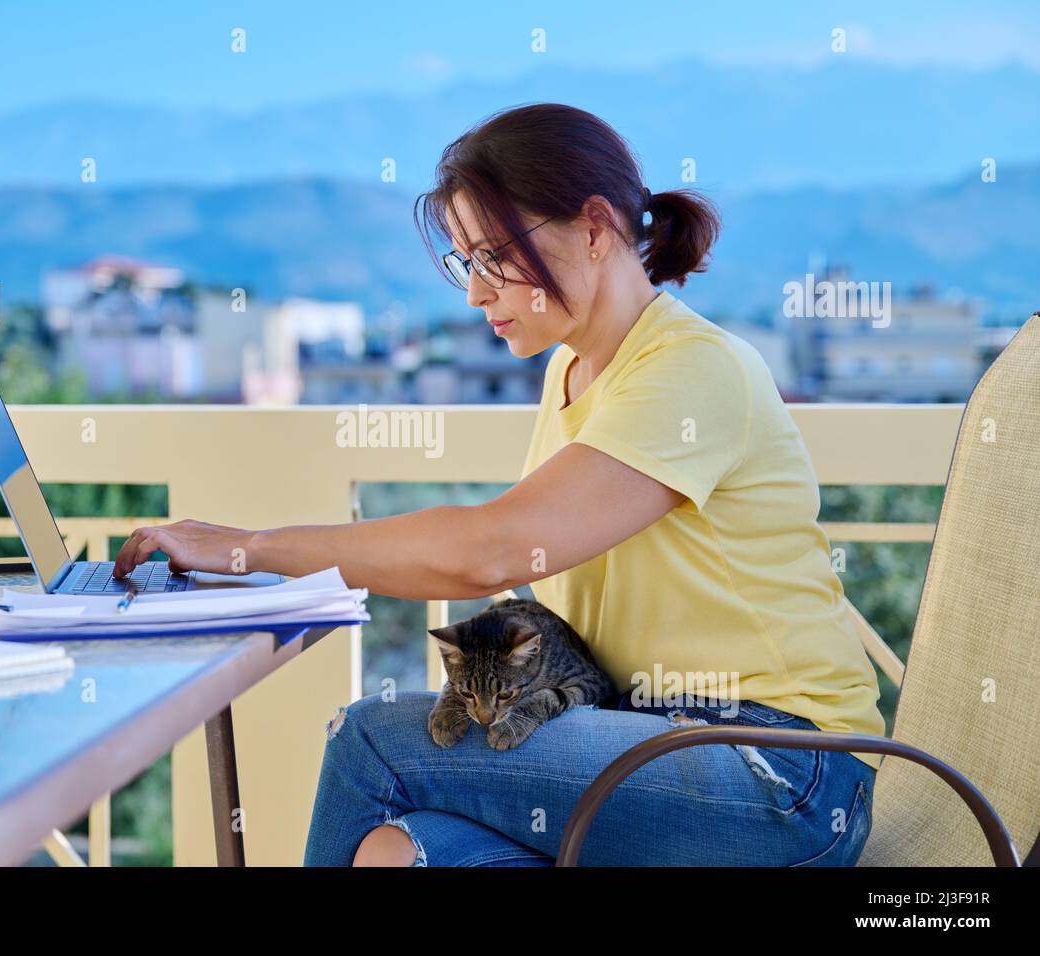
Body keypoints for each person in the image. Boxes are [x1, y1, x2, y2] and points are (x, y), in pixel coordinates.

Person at [113, 103, 882, 867]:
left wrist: (250, 548)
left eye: (492, 258)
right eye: (464, 264)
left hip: (780, 768)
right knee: (394, 854)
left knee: (369, 739)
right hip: (643, 738)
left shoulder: (692, 369)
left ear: (592, 227)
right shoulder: (572, 371)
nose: (476, 294)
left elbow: (494, 549)